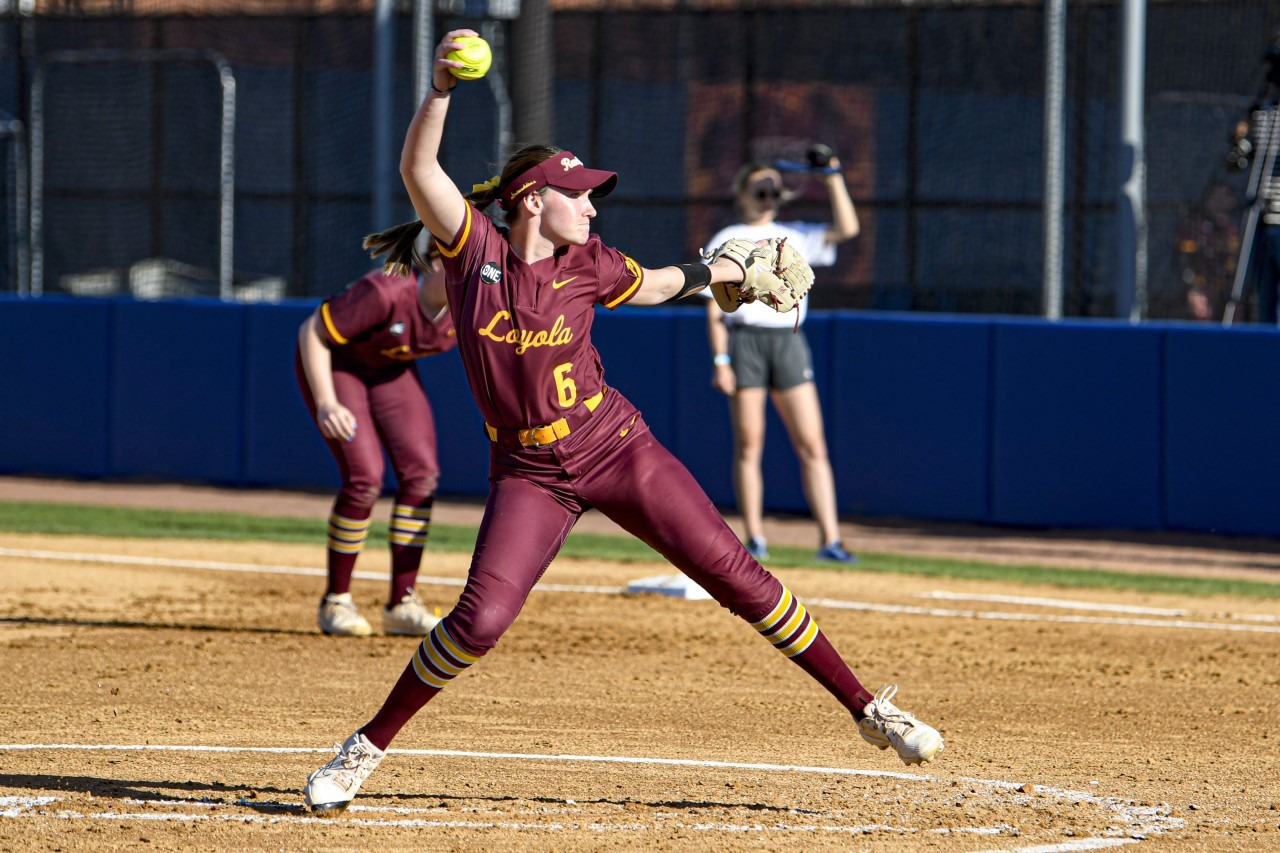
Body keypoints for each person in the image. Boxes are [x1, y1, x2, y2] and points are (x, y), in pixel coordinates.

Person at [302, 28, 943, 815]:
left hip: (615, 445)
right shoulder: (473, 253)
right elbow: (417, 169)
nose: (591, 203)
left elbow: (663, 282)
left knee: (739, 577)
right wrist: (439, 88)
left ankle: (869, 708)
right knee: (479, 620)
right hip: (530, 473)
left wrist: (726, 270)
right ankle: (364, 746)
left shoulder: (590, 262)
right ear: (534, 199)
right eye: (578, 192)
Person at [295, 245, 457, 637]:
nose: (474, 275)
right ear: (433, 262)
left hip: (390, 368)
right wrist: (326, 402)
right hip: (339, 365)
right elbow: (313, 332)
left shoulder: (470, 307)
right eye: (461, 263)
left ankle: (402, 603)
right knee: (366, 477)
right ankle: (336, 602)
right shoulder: (388, 291)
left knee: (422, 475)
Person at [703, 157, 860, 562]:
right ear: (742, 192)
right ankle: (754, 538)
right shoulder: (730, 235)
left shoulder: (793, 235)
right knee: (750, 444)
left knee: (812, 443)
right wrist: (720, 359)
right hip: (746, 340)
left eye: (774, 188)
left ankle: (831, 540)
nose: (768, 195)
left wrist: (833, 177)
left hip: (788, 340)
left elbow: (847, 229)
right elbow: (714, 306)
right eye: (760, 187)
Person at [1224, 28, 1280, 324]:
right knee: (1264, 295)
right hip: (1260, 218)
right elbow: (1236, 164)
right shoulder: (1262, 114)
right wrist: (1239, 140)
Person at [1175, 180, 1240, 322]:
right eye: (1216, 198)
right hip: (1202, 287)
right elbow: (1183, 260)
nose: (1220, 204)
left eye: (1225, 197)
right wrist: (1193, 288)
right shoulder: (1194, 227)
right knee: (1202, 314)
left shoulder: (1235, 229)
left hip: (1230, 291)